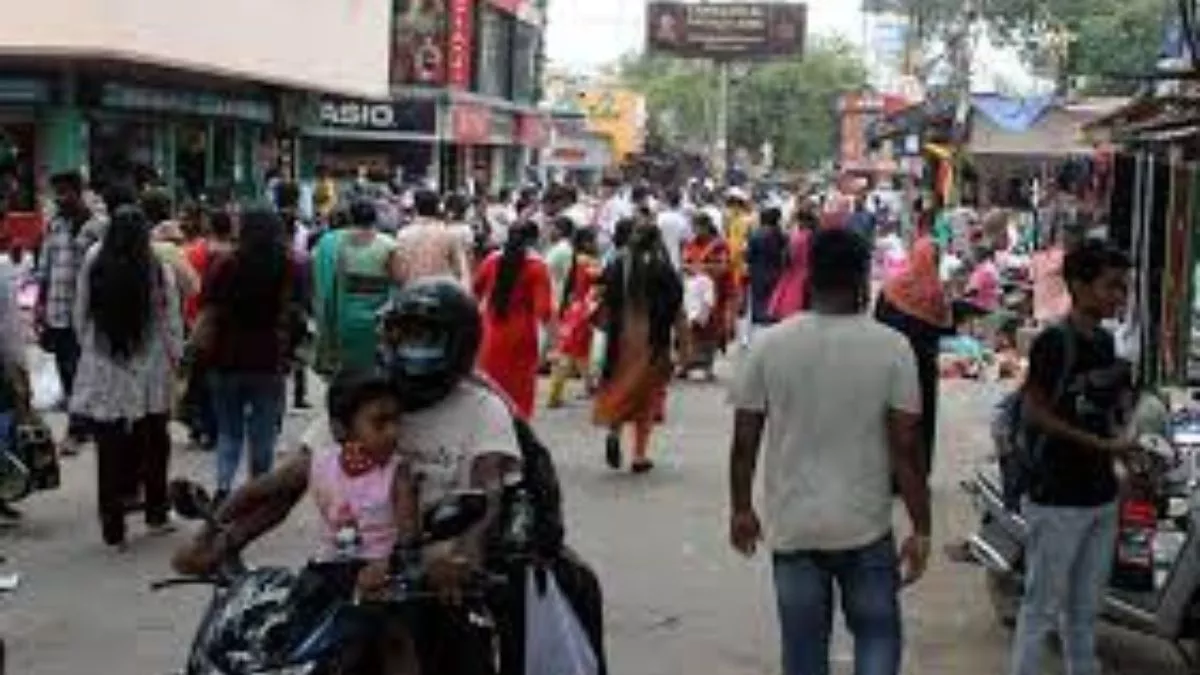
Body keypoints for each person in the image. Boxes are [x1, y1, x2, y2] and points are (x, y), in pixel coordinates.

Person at [176, 278, 521, 673]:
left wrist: (462, 554)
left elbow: (488, 497)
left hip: (429, 588)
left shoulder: (482, 410)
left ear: (458, 343)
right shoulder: (367, 399)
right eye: (400, 332)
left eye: (422, 335)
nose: (406, 344)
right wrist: (220, 540)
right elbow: (284, 486)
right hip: (343, 576)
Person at [728, 228, 931, 675]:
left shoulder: (769, 344)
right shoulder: (892, 348)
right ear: (863, 277)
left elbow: (745, 443)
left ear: (808, 274)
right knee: (878, 635)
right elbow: (906, 448)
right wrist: (921, 526)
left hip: (794, 526)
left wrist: (741, 508)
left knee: (803, 652)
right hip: (865, 526)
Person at [178, 370, 421, 673]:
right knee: (286, 640)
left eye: (396, 421)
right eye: (379, 423)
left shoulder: (398, 473)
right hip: (328, 571)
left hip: (381, 577)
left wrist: (387, 567)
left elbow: (409, 534)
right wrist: (208, 534)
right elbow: (254, 492)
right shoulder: (319, 463)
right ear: (341, 429)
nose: (393, 432)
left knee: (396, 641)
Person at [1009, 241, 1135, 675]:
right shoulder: (1053, 343)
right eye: (1111, 286)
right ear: (1079, 286)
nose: (1119, 296)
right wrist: (1103, 447)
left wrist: (1122, 449)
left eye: (1123, 287)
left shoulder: (1104, 343)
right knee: (1041, 607)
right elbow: (1034, 412)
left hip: (1100, 494)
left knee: (1084, 609)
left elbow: (1108, 413)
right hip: (1057, 496)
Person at [70, 205, 183, 548]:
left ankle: (113, 528)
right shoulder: (158, 268)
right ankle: (156, 512)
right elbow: (171, 321)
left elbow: (80, 312)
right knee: (154, 441)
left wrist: (91, 348)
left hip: (105, 365)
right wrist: (177, 357)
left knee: (110, 449)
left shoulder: (94, 259)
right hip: (150, 370)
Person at [200, 207, 298, 501]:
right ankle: (259, 488)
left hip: (226, 355)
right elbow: (291, 312)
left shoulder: (225, 264)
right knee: (264, 430)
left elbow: (210, 310)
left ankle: (224, 487)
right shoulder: (286, 265)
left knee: (228, 430)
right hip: (267, 357)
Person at [593, 224, 682, 474]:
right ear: (656, 242)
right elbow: (676, 303)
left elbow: (601, 292)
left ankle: (614, 430)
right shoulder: (662, 268)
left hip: (620, 337)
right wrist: (681, 343)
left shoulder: (618, 264)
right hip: (651, 340)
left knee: (620, 386)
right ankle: (639, 455)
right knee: (646, 396)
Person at [36, 170, 107, 456]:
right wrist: (40, 306)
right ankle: (84, 422)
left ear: (79, 192)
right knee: (67, 370)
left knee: (79, 369)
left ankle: (78, 429)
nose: (60, 199)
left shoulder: (96, 226)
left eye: (66, 192)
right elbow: (45, 268)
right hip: (57, 310)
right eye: (57, 193)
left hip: (86, 314)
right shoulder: (54, 225)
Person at [874, 236, 954, 476]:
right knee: (921, 419)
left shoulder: (892, 287)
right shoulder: (936, 294)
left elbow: (877, 321)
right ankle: (917, 473)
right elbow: (943, 327)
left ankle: (891, 473)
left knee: (893, 417)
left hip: (891, 365)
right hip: (922, 367)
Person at [474, 223, 553, 420]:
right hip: (522, 336)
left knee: (491, 385)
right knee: (519, 390)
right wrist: (551, 341)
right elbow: (543, 310)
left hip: (491, 333)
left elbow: (474, 291)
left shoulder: (491, 260)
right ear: (533, 240)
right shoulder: (537, 267)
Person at [312, 199, 400, 375]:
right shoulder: (388, 244)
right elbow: (397, 281)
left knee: (351, 369)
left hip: (348, 317)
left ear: (351, 219)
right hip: (379, 316)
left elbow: (339, 283)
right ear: (375, 219)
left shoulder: (339, 245)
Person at [547, 227, 601, 408]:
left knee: (579, 351)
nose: (597, 242)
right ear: (586, 242)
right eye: (593, 239)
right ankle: (554, 395)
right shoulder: (586, 261)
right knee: (570, 352)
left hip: (576, 309)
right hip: (583, 312)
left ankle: (588, 386)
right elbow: (600, 279)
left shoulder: (578, 259)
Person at [679, 212, 731, 379]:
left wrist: (701, 269)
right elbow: (684, 264)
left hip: (712, 293)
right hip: (693, 295)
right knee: (690, 328)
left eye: (699, 227)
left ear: (707, 226)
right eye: (694, 227)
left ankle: (708, 367)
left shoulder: (719, 245)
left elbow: (723, 268)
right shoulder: (691, 243)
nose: (696, 231)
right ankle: (686, 365)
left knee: (710, 329)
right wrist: (692, 268)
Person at [393, 189, 472, 289]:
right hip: (442, 294)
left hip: (412, 293)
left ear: (415, 209)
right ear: (437, 208)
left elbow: (399, 273)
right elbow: (461, 270)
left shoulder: (403, 235)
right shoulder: (449, 234)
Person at [744, 206, 787, 336]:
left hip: (758, 273)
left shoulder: (755, 235)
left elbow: (748, 256)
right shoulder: (781, 235)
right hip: (776, 273)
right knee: (773, 302)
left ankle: (760, 329)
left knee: (758, 303)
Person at [767, 208, 817, 321]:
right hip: (806, 272)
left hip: (794, 273)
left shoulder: (797, 237)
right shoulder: (813, 236)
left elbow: (789, 256)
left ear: (801, 221)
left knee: (789, 302)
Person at [656, 187, 691, 273]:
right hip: (677, 264)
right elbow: (687, 242)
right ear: (679, 202)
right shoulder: (682, 220)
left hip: (660, 262)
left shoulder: (659, 218)